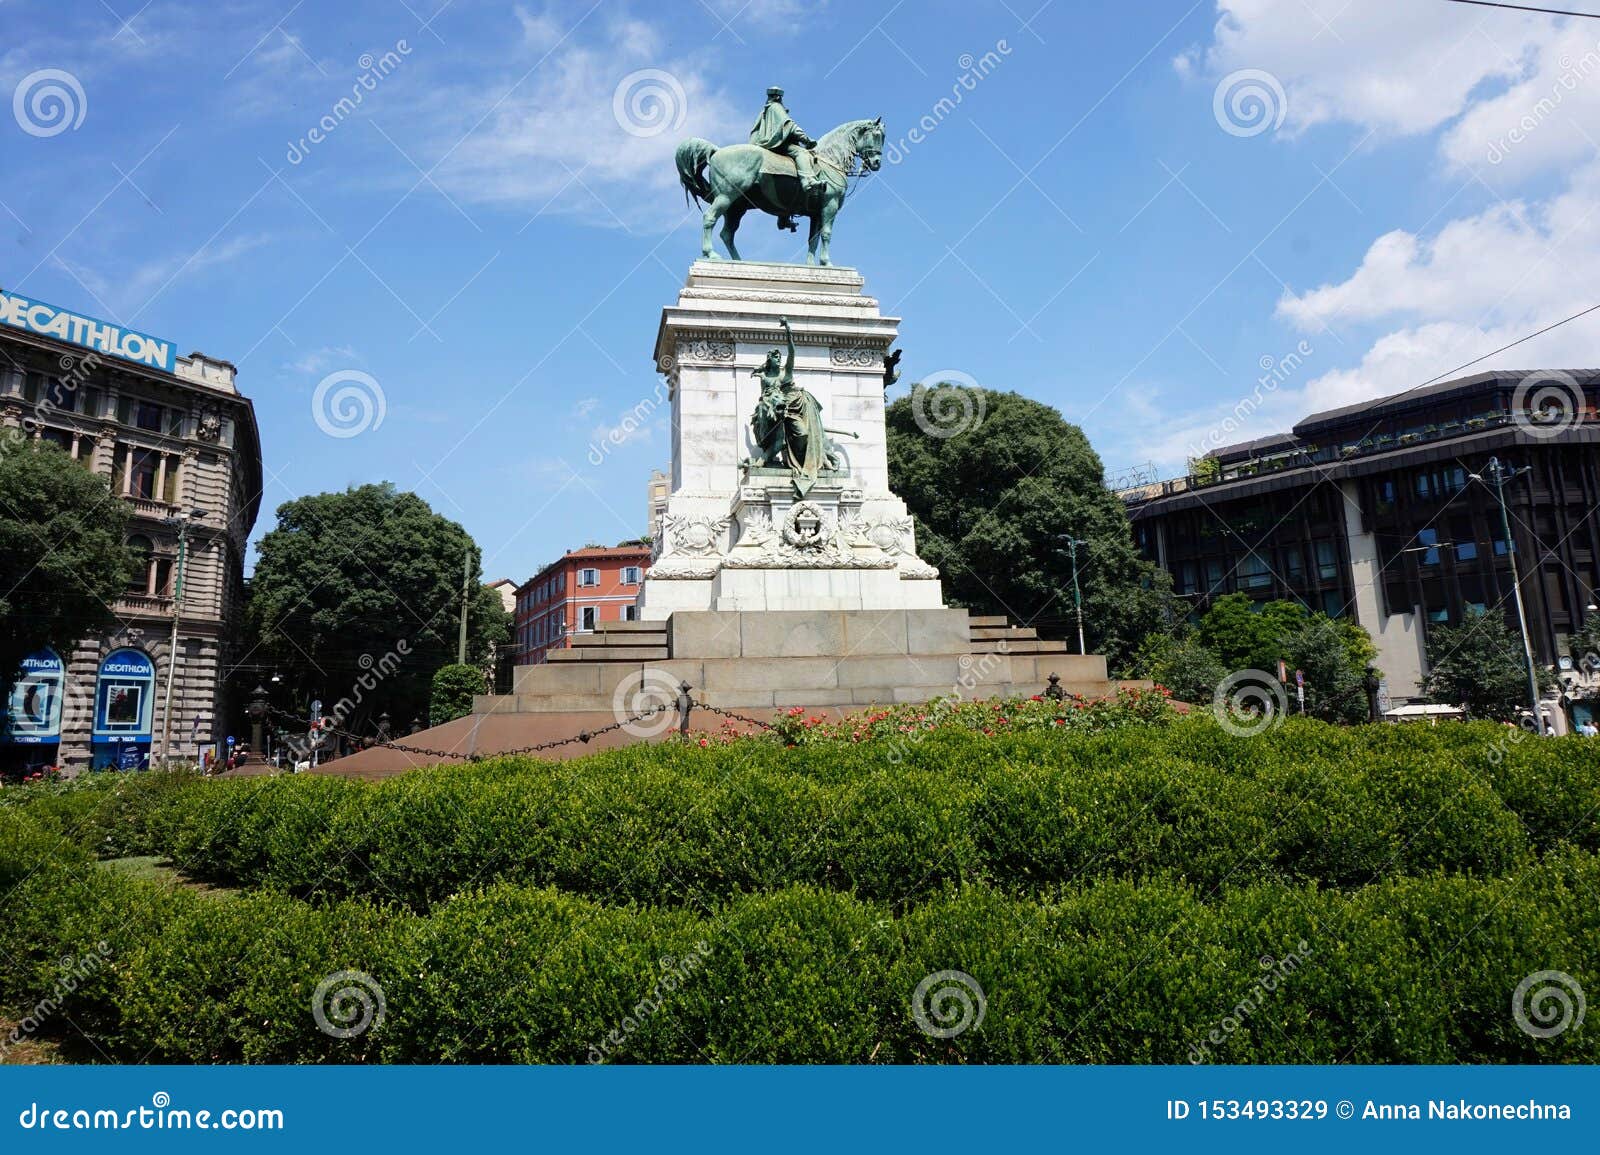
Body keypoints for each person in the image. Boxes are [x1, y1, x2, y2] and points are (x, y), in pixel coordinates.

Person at [750, 86, 821, 193]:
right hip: (777, 144)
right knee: (801, 152)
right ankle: (808, 180)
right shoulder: (777, 107)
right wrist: (806, 140)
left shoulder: (765, 110)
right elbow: (789, 125)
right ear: (778, 97)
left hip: (763, 144)